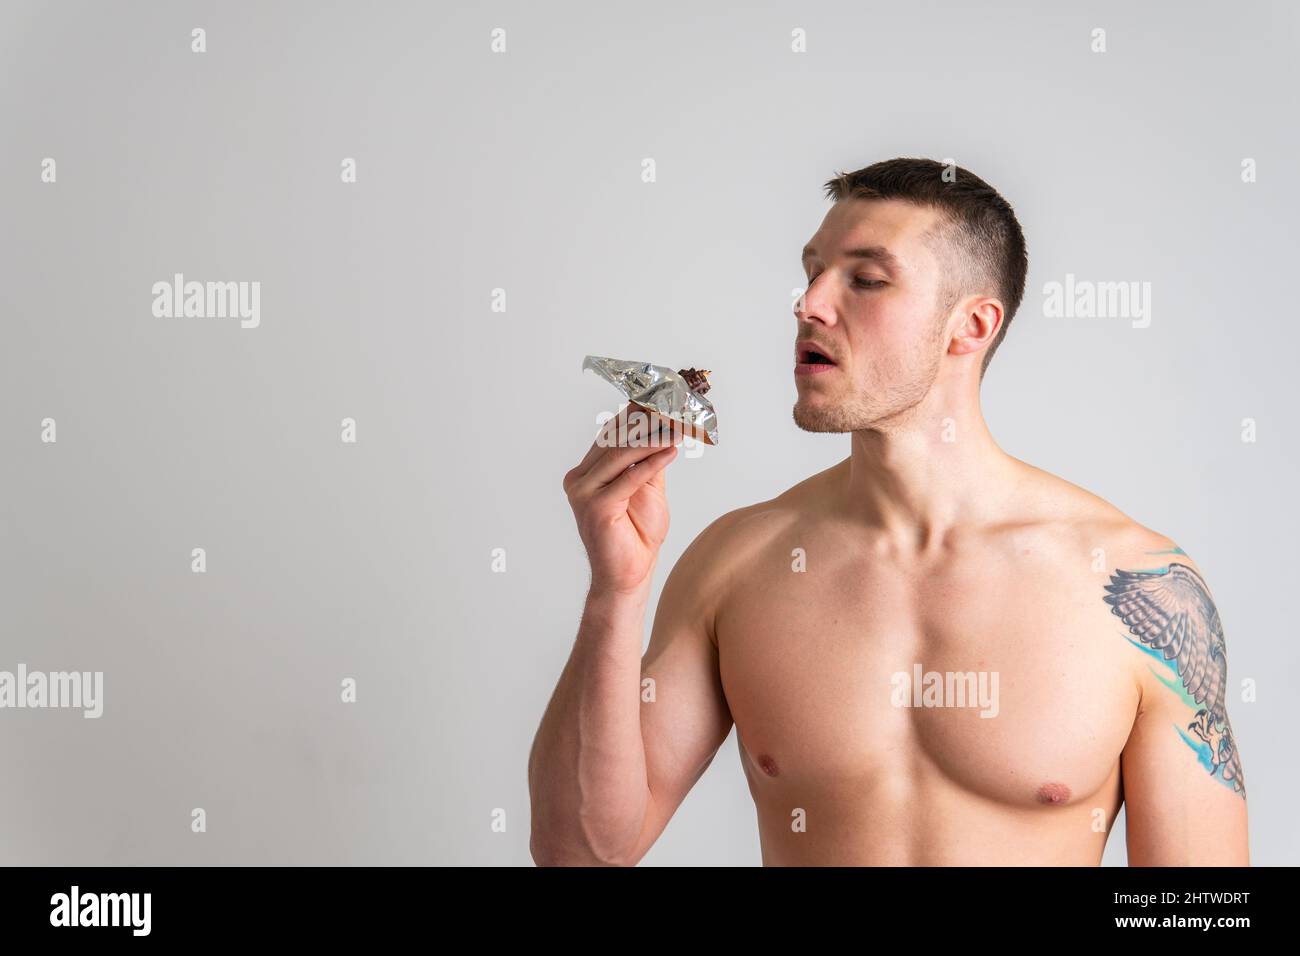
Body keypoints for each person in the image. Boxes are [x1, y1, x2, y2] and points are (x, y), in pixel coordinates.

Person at [527, 158, 1249, 866]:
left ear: (971, 326)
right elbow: (581, 852)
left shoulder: (1136, 585)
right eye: (812, 271)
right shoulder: (738, 563)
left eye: (865, 280)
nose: (808, 303)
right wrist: (613, 594)